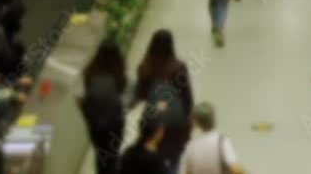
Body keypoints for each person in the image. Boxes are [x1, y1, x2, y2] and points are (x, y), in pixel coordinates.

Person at [133, 30, 194, 173]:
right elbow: (186, 96)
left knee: (154, 156)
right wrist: (188, 116)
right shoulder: (178, 67)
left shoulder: (144, 68)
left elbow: (140, 94)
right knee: (174, 158)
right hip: (175, 123)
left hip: (153, 120)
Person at [80, 39, 128, 174]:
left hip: (96, 126)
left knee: (100, 154)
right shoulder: (118, 75)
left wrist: (88, 116)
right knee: (113, 155)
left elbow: (81, 100)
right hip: (114, 124)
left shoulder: (89, 73)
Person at [181, 102, 248, 174]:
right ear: (213, 118)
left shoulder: (191, 146)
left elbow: (189, 172)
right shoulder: (221, 142)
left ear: (195, 122)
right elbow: (236, 169)